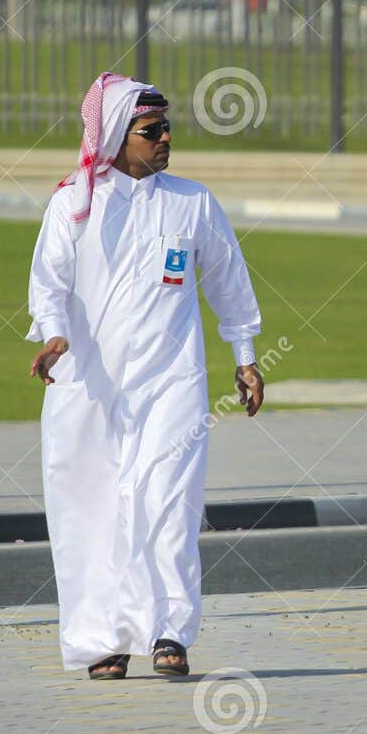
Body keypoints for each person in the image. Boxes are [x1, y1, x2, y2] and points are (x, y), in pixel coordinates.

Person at [27, 72, 264, 680]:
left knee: (168, 501)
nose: (164, 140)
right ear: (115, 137)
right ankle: (101, 640)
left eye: (167, 130)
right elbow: (48, 283)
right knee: (89, 507)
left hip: (171, 381)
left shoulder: (192, 203)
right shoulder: (74, 205)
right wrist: (53, 333)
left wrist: (244, 355)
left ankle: (169, 632)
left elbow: (231, 285)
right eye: (150, 131)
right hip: (89, 385)